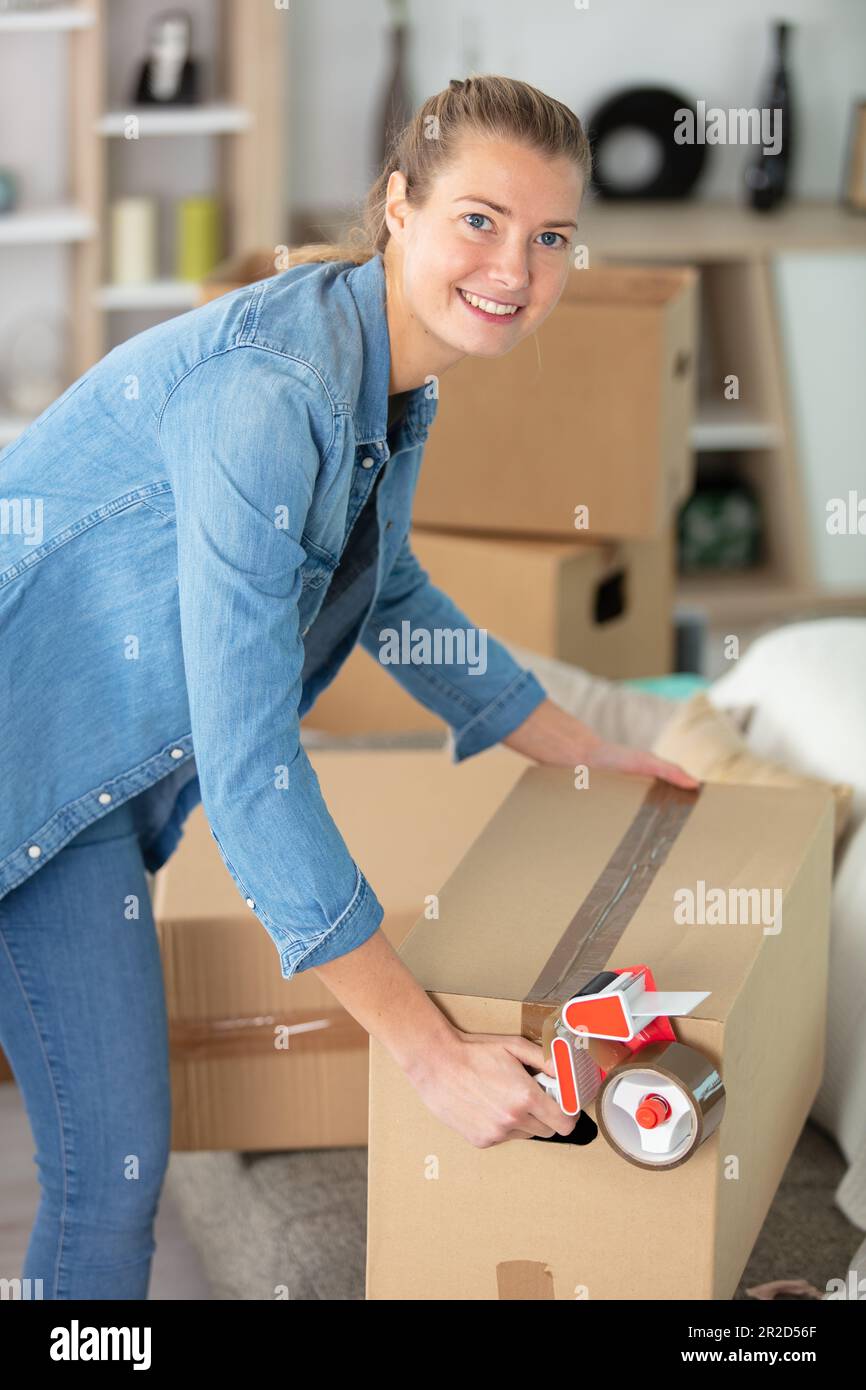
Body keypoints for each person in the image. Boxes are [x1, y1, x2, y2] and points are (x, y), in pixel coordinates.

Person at [0, 74, 697, 1300]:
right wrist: (424, 1047)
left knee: (107, 1173)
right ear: (397, 206)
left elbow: (390, 587)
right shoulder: (272, 396)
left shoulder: (380, 366)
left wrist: (581, 748)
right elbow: (254, 768)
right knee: (106, 1184)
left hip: (80, 786)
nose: (515, 268)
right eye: (479, 220)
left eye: (549, 238)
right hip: (29, 768)